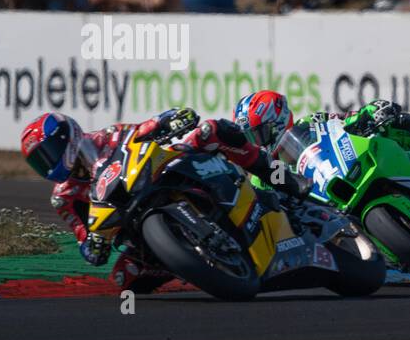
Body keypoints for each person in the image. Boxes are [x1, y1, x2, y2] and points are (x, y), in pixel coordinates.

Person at [19, 108, 308, 292]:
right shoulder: (64, 197)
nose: (50, 163)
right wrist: (93, 245)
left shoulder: (104, 138)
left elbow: (143, 130)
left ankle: (284, 178)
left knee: (213, 131)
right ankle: (191, 262)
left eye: (50, 152)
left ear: (66, 137)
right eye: (41, 162)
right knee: (125, 278)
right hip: (130, 222)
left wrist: (169, 120)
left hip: (157, 175)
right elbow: (85, 238)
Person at [235, 93, 410, 196]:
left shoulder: (310, 122)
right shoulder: (263, 173)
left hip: (352, 167)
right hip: (323, 205)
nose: (257, 142)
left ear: (277, 118)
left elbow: (348, 120)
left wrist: (372, 112)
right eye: (250, 138)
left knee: (400, 125)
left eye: (259, 133)